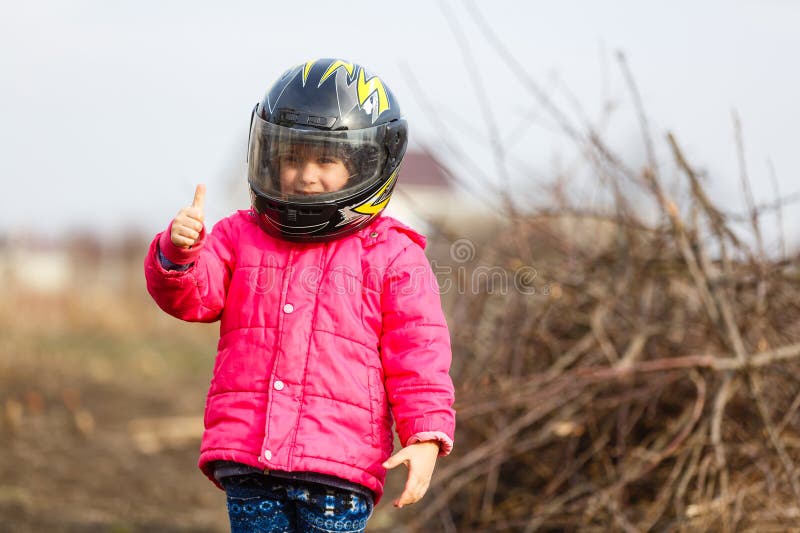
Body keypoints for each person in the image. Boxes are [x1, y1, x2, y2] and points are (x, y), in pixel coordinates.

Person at [144, 58, 456, 532]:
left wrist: (425, 437)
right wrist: (179, 252)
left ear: (364, 163)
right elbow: (193, 298)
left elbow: (419, 355)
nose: (306, 175)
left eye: (325, 160)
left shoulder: (392, 255)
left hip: (338, 467)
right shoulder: (238, 236)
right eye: (293, 157)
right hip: (250, 458)